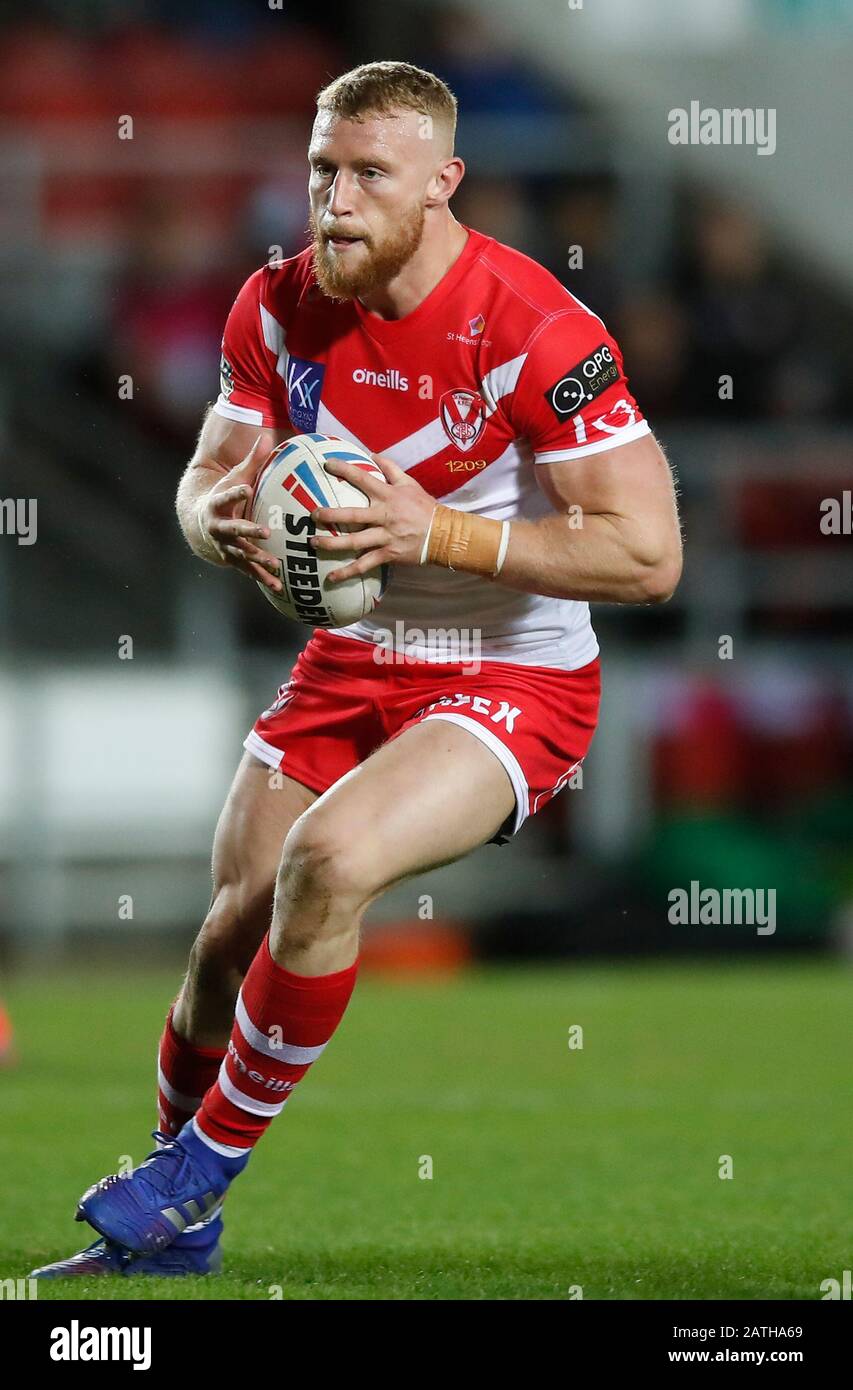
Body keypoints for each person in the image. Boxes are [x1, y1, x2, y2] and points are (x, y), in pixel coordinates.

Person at [32, 60, 681, 1279]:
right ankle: (177, 1227)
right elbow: (205, 477)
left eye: (369, 175)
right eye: (323, 168)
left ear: (442, 186)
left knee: (329, 864)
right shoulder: (275, 306)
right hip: (353, 652)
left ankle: (193, 1175)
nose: (334, 198)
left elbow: (648, 555)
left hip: (512, 671)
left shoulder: (537, 329)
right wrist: (217, 522)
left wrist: (432, 531)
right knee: (227, 934)